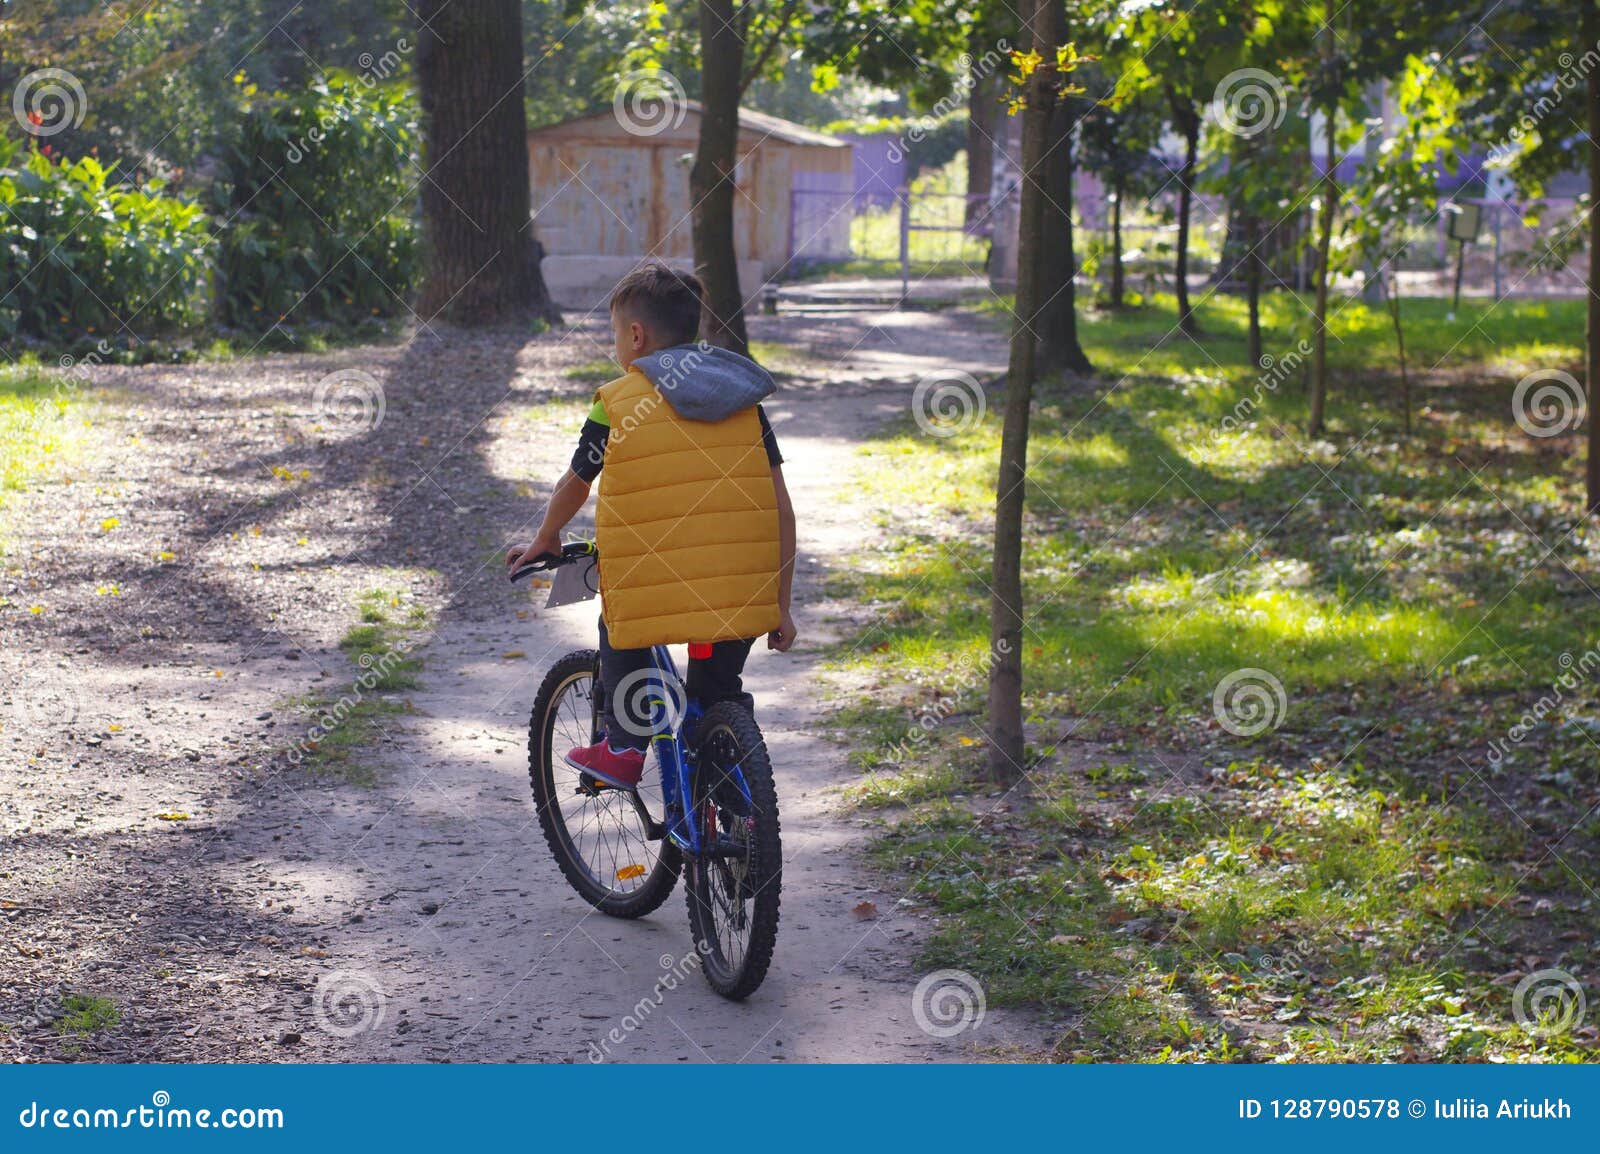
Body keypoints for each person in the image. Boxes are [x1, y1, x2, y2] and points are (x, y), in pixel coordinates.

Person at [506, 263, 798, 789]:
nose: (617, 346)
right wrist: (781, 601)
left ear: (636, 336)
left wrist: (545, 538)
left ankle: (622, 746)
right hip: (740, 585)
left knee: (624, 621)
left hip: (653, 586)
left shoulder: (616, 405)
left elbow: (576, 482)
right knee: (718, 693)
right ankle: (737, 797)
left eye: (616, 335)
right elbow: (781, 507)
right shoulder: (744, 403)